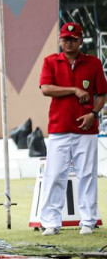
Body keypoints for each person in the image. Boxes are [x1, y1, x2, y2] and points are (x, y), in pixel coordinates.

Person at [37, 22, 106, 236]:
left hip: (87, 128)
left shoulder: (93, 63)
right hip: (59, 127)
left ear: (80, 40)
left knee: (87, 175)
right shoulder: (51, 61)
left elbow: (102, 94)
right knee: (55, 174)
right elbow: (46, 89)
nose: (68, 42)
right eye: (65, 39)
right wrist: (74, 90)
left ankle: (88, 220)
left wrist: (93, 114)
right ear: (60, 40)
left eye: (73, 39)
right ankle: (50, 222)